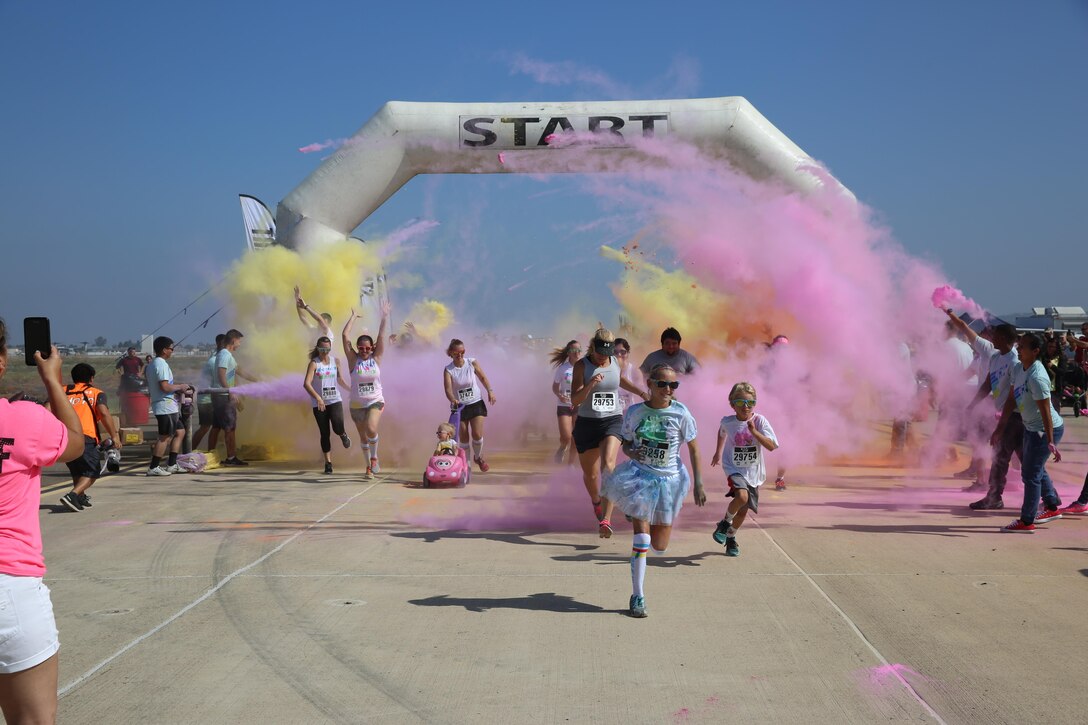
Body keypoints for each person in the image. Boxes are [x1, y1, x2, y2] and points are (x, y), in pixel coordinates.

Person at [0, 319, 87, 724]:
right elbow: (75, 444)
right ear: (1, 361)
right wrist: (52, 380)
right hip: (9, 589)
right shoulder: (23, 419)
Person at [601, 364, 705, 618]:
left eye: (673, 385)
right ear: (650, 384)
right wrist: (631, 452)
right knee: (643, 540)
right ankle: (638, 596)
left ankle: (637, 512)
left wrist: (699, 483)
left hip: (670, 480)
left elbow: (693, 449)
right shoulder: (635, 412)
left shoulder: (681, 413)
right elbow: (626, 443)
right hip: (640, 478)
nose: (668, 389)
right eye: (662, 384)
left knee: (660, 545)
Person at [570, 327, 649, 538]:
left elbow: (620, 379)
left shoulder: (614, 361)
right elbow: (574, 400)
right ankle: (596, 501)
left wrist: (641, 392)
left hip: (612, 421)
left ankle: (606, 519)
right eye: (600, 353)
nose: (603, 358)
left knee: (609, 466)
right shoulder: (581, 366)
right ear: (593, 348)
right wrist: (589, 386)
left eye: (607, 354)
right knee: (591, 474)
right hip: (587, 423)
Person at [997, 333, 1065, 532]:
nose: (1018, 348)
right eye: (1019, 345)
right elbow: (1011, 399)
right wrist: (1000, 427)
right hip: (1031, 427)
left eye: (1023, 346)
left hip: (1044, 430)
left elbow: (1046, 411)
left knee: (1030, 474)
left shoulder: (1037, 378)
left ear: (1035, 351)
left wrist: (1051, 441)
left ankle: (1027, 520)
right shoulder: (1019, 368)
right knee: (1034, 467)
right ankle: (1052, 505)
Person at [710, 382, 780, 557]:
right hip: (733, 467)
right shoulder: (728, 421)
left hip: (753, 472)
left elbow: (771, 446)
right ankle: (724, 523)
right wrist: (718, 452)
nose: (745, 407)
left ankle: (731, 538)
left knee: (743, 511)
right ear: (732, 404)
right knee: (742, 496)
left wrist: (755, 432)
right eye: (740, 402)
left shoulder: (760, 421)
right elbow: (722, 431)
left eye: (750, 402)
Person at [58, 363, 121, 512]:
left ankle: (80, 497)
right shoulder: (96, 393)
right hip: (85, 436)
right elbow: (104, 413)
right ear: (91, 378)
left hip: (64, 437)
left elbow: (48, 409)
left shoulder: (62, 391)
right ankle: (72, 495)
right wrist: (114, 435)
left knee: (77, 470)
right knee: (92, 472)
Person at [343, 302, 390, 479]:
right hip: (356, 404)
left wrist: (384, 317)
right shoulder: (353, 361)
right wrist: (353, 317)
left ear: (372, 348)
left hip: (375, 400)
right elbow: (344, 335)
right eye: (361, 348)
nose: (364, 351)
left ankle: (375, 457)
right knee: (363, 437)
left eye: (367, 348)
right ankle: (368, 466)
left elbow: (382, 336)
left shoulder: (376, 359)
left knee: (371, 429)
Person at [443, 339, 497, 473]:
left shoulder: (471, 362)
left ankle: (478, 457)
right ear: (451, 353)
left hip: (476, 402)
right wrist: (453, 399)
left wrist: (490, 391)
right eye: (456, 352)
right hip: (460, 407)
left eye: (462, 352)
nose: (460, 355)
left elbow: (483, 377)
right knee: (464, 436)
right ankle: (466, 466)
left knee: (477, 434)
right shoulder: (449, 370)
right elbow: (448, 389)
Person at [145, 336, 193, 476]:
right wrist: (181, 386)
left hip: (169, 405)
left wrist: (176, 388)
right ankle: (153, 467)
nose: (172, 351)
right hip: (164, 405)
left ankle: (172, 464)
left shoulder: (155, 364)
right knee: (165, 437)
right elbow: (165, 387)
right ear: (164, 350)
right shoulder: (160, 364)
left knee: (180, 432)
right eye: (171, 348)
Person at [303, 336, 351, 474]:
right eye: (322, 349)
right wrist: (318, 398)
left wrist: (350, 390)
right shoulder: (314, 363)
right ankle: (328, 463)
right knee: (325, 433)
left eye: (327, 349)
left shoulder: (335, 361)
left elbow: (340, 379)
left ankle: (343, 434)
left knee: (338, 426)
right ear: (318, 348)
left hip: (335, 400)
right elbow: (306, 384)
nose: (325, 352)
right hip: (319, 403)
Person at [210, 329, 255, 466]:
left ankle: (216, 455)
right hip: (223, 396)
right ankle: (231, 458)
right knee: (230, 427)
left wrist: (257, 379)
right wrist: (230, 390)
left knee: (220, 427)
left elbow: (239, 370)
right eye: (239, 341)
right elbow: (221, 373)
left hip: (221, 395)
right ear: (234, 340)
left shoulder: (227, 355)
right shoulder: (224, 354)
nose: (240, 345)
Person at [191, 334, 225, 452]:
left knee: (216, 427)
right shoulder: (215, 361)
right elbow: (219, 381)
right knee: (206, 427)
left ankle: (213, 450)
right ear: (221, 344)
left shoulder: (218, 358)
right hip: (207, 399)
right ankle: (190, 450)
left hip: (211, 398)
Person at [549, 340, 581, 465]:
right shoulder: (563, 368)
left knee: (576, 437)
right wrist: (559, 395)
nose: (577, 353)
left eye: (579, 350)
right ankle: (562, 447)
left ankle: (570, 464)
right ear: (568, 353)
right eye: (574, 350)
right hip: (564, 404)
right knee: (566, 437)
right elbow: (555, 387)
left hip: (579, 405)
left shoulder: (584, 366)